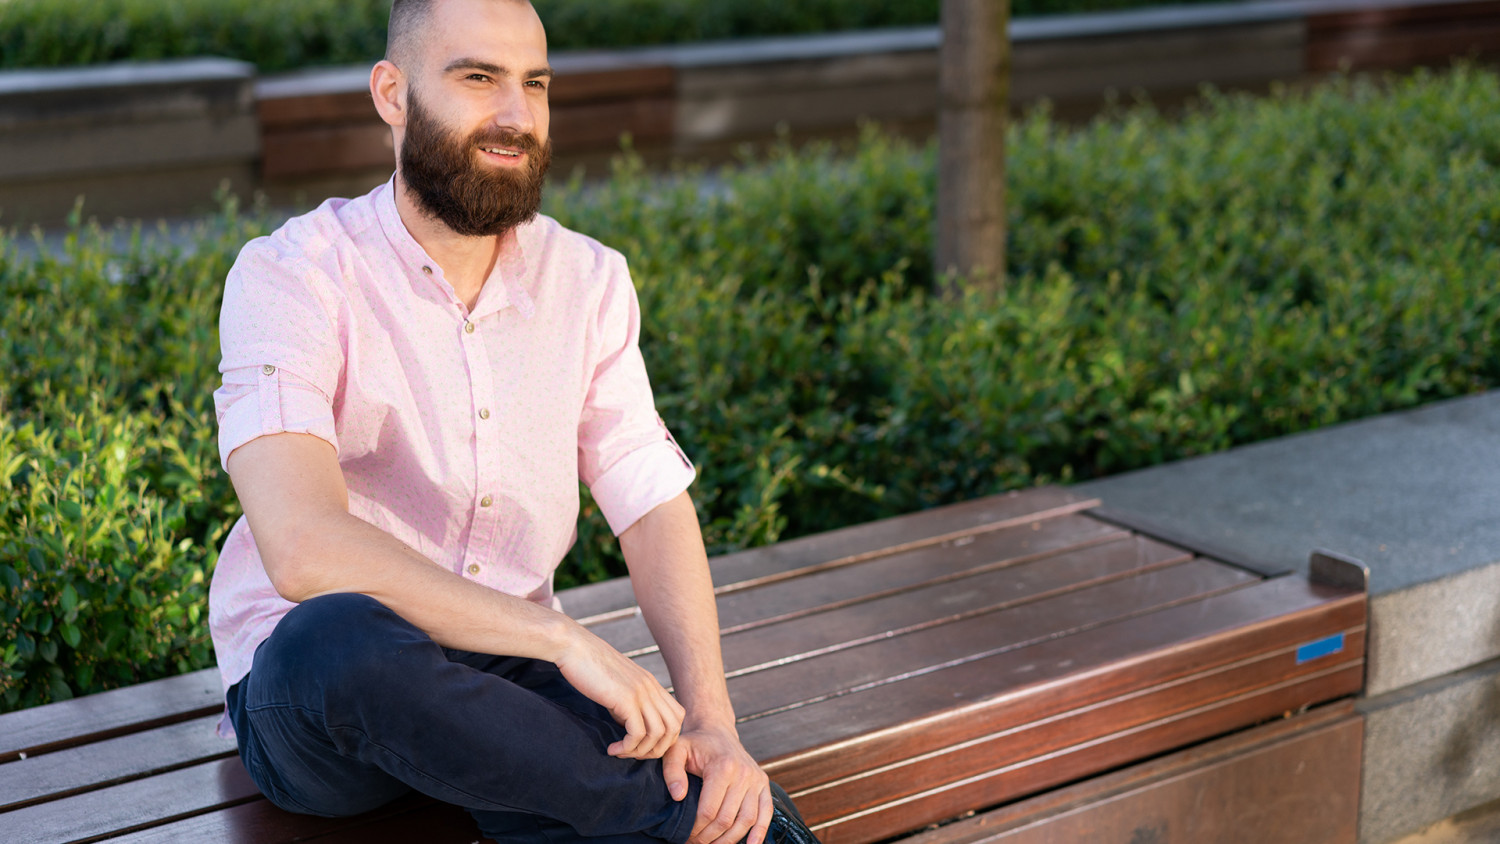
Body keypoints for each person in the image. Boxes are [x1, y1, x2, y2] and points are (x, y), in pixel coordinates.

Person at [206, 2, 819, 843]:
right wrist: (559, 639)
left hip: (501, 685)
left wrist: (712, 721)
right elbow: (303, 545)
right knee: (339, 636)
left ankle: (668, 814)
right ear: (393, 92)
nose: (515, 115)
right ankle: (680, 822)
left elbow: (649, 501)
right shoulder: (293, 275)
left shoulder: (589, 282)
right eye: (477, 78)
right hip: (318, 698)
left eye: (534, 84)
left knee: (679, 764)